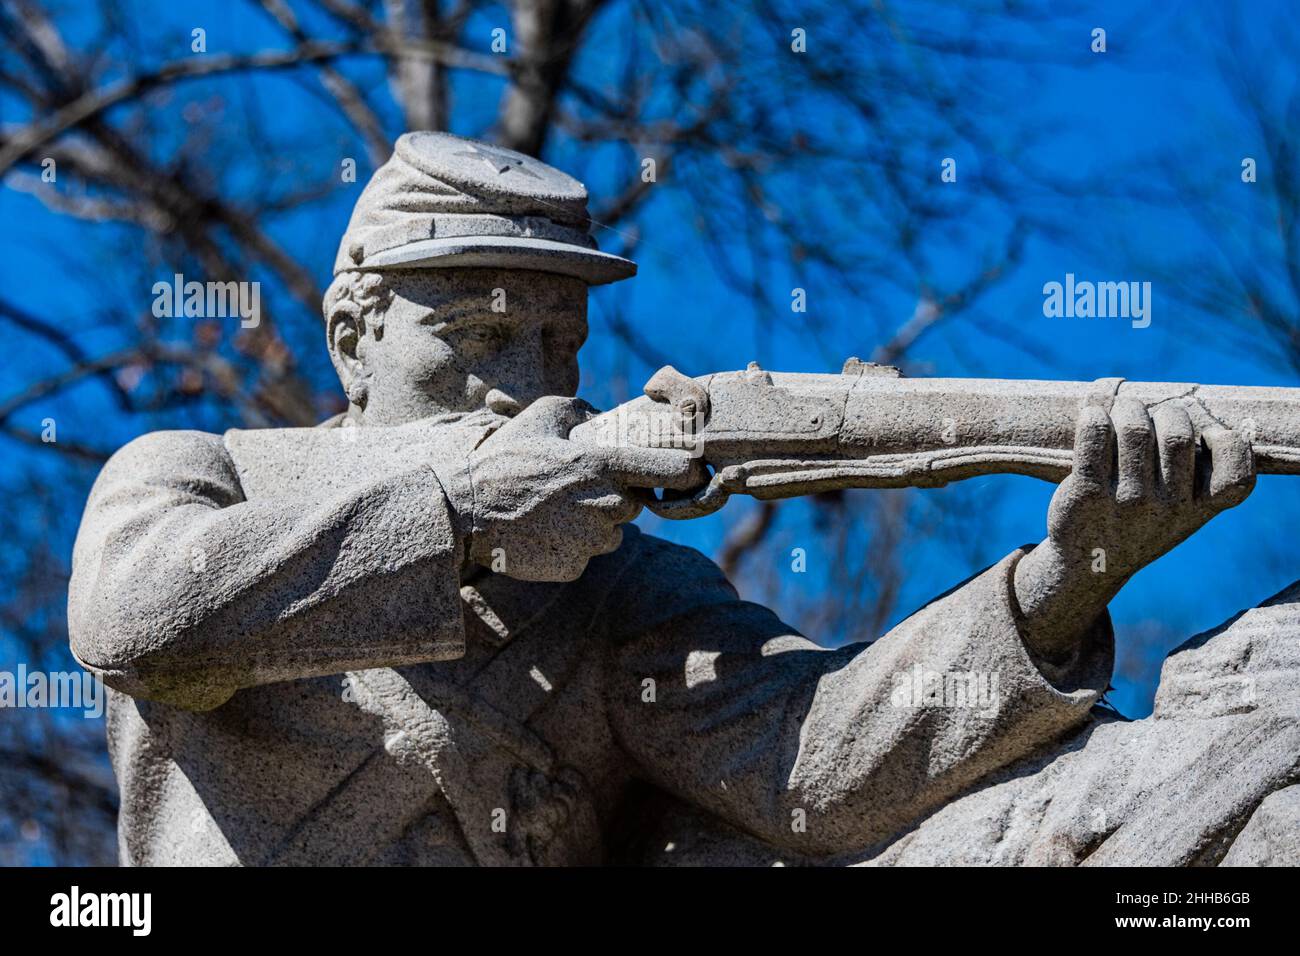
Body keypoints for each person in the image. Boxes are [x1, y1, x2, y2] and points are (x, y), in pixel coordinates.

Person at [67, 133, 1263, 865]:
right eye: (477, 330)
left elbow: (815, 768)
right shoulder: (200, 470)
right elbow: (145, 622)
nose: (521, 376)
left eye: (555, 335)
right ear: (348, 337)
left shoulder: (614, 581)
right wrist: (473, 515)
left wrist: (1070, 578)